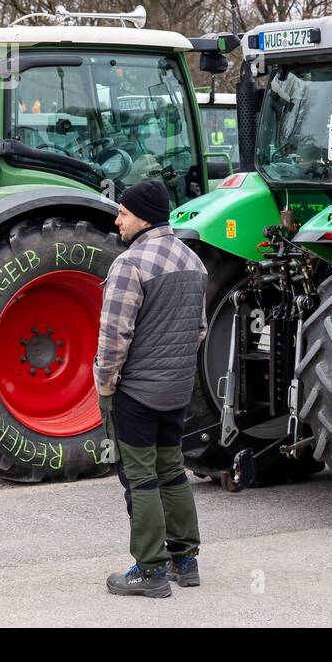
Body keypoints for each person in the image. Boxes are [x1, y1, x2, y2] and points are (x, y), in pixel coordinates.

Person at [95, 179, 207, 598]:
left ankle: (150, 570)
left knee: (140, 480)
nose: (117, 220)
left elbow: (114, 337)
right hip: (176, 391)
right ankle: (186, 561)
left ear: (142, 216)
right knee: (173, 471)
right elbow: (198, 329)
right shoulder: (193, 261)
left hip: (137, 393)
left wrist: (104, 385)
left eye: (122, 212)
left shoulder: (130, 264)